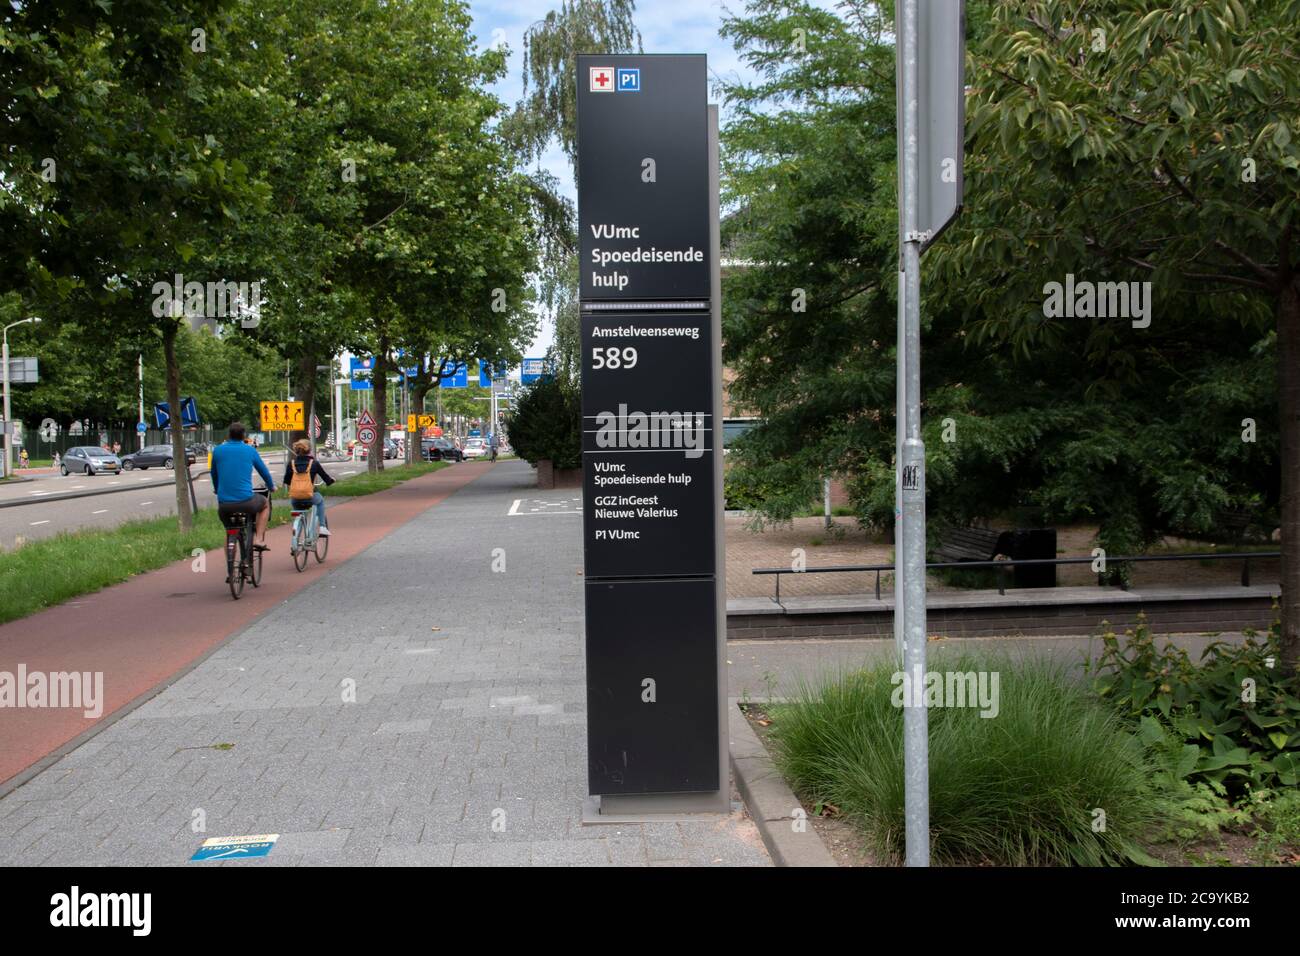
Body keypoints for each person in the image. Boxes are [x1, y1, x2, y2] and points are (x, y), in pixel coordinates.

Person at [211, 421, 275, 550]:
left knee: (229, 532)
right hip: (246, 501)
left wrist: (217, 489)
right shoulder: (249, 450)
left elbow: (214, 474)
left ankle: (230, 568)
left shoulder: (217, 451)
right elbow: (264, 472)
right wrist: (271, 486)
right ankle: (258, 539)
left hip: (224, 505)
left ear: (229, 434)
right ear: (243, 435)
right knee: (265, 504)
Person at [284, 438, 335, 536]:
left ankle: (296, 537)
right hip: (310, 497)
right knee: (320, 501)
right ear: (309, 450)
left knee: (298, 513)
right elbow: (327, 479)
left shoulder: (291, 464)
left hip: (295, 498)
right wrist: (332, 480)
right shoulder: (314, 464)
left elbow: (287, 481)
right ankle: (322, 527)